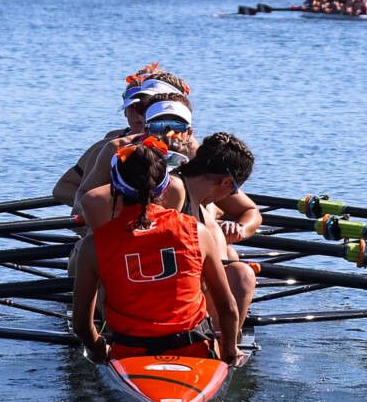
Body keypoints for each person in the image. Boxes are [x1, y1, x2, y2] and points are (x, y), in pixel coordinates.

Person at [71, 136, 245, 369]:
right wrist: (229, 351)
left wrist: (96, 347)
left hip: (128, 353)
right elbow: (229, 309)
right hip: (194, 350)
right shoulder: (199, 232)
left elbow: (81, 325)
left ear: (114, 187)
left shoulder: (91, 246)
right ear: (165, 185)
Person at [51, 67, 195, 206]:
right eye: (136, 107)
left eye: (147, 106)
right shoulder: (113, 147)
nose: (140, 114)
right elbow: (67, 193)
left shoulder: (197, 154)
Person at [176, 130, 260, 326]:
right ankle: (224, 343)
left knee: (234, 262)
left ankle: (219, 336)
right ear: (227, 182)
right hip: (165, 296)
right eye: (234, 190)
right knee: (241, 272)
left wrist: (239, 229)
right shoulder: (174, 192)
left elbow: (251, 211)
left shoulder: (196, 195)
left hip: (188, 291)